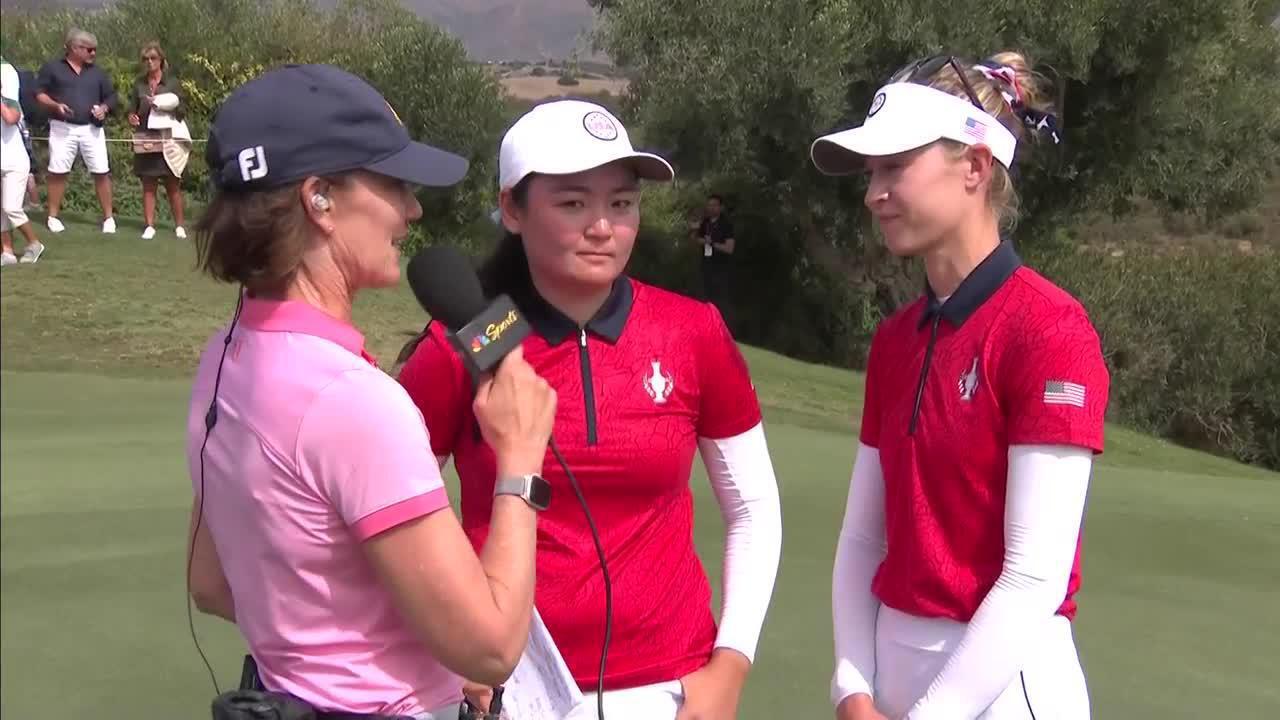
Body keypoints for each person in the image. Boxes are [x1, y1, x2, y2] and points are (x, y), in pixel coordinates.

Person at [185, 63, 557, 719]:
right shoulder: (352, 401)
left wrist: (366, 643)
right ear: (319, 196)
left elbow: (212, 582)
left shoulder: (224, 357)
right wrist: (521, 462)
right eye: (395, 184)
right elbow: (493, 648)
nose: (412, 209)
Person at [398, 99, 783, 720]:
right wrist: (450, 644)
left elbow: (753, 506)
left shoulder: (692, 331)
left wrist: (730, 666)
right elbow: (396, 513)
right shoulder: (473, 340)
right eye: (573, 203)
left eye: (622, 203)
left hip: (670, 690)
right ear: (512, 211)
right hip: (507, 687)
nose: (602, 226)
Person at [811, 52, 1108, 719]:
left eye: (894, 168)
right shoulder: (895, 341)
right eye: (870, 173)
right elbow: (863, 538)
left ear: (974, 167)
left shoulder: (1049, 330)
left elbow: (1034, 575)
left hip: (1007, 686)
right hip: (893, 671)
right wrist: (852, 685)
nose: (872, 193)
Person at [35, 27, 117, 234]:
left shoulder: (97, 72)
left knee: (101, 171)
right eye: (89, 50)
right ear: (74, 48)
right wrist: (55, 105)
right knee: (58, 171)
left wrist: (104, 109)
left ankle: (108, 218)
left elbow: (111, 97)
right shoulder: (53, 68)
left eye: (94, 50)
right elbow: (38, 93)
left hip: (92, 129)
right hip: (62, 127)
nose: (93, 54)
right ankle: (53, 217)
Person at [127, 41, 186, 240]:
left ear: (161, 60)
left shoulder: (172, 83)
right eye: (146, 59)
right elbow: (132, 109)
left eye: (153, 58)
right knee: (148, 182)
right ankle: (149, 225)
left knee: (173, 183)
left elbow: (183, 110)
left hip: (168, 136)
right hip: (146, 135)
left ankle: (179, 226)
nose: (149, 62)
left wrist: (166, 105)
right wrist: (132, 117)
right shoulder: (139, 84)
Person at [2, 43, 45, 266]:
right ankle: (7, 251)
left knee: (11, 207)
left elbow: (10, 118)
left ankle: (34, 243)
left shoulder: (7, 74)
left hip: (14, 157)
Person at [689, 193, 736, 329]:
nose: (711, 208)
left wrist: (712, 243)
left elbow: (729, 248)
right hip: (706, 266)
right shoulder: (705, 223)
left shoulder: (726, 224)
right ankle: (701, 327)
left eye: (714, 205)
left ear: (721, 207)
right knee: (703, 298)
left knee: (719, 302)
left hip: (721, 269)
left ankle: (720, 330)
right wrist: (694, 231)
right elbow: (695, 240)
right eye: (709, 205)